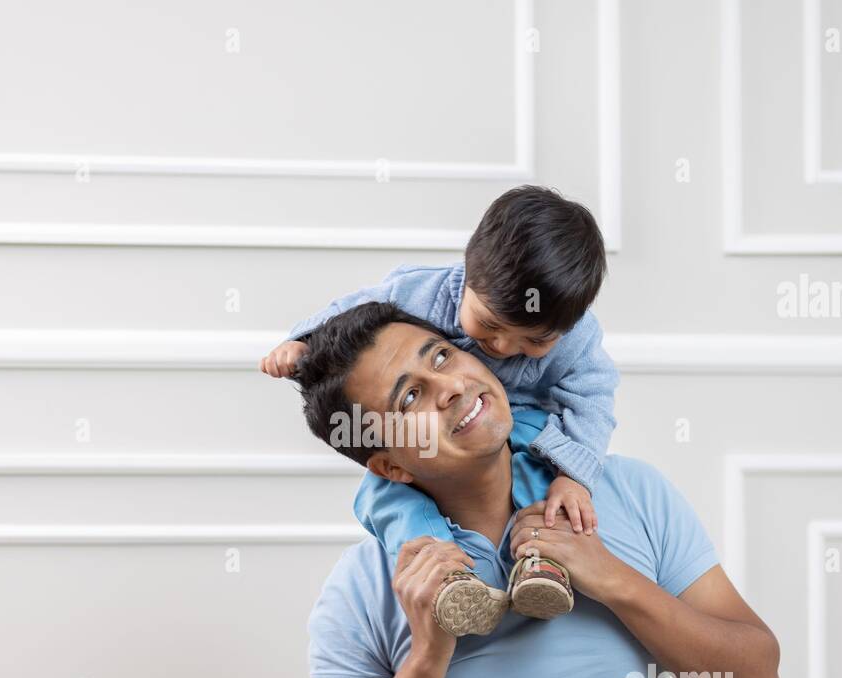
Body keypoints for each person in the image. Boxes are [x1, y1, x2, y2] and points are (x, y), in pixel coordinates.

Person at [288, 303, 783, 678]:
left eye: (444, 356)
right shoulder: (369, 584)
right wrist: (428, 655)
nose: (450, 387)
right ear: (391, 467)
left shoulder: (630, 495)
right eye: (410, 397)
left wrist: (613, 579)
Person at [261, 185, 618, 636]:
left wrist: (574, 474)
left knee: (540, 475)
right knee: (383, 496)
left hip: (521, 425)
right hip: (426, 450)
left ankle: (541, 562)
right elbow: (353, 311)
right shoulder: (421, 291)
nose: (505, 348)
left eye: (536, 341)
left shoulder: (578, 337)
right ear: (468, 273)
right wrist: (302, 341)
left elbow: (593, 397)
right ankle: (447, 576)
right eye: (488, 325)